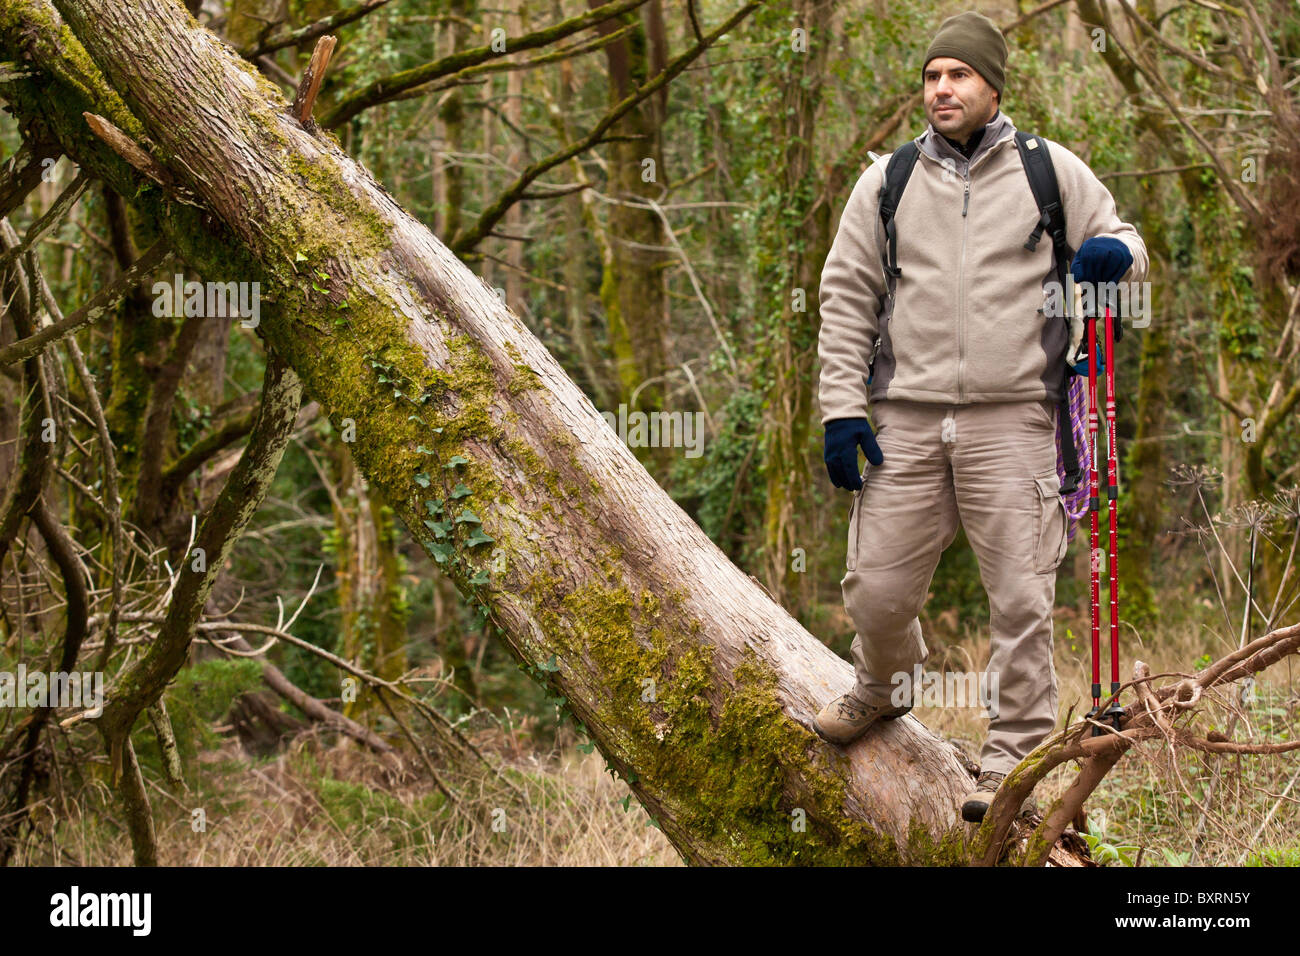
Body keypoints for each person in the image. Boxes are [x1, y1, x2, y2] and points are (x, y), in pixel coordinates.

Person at [811, 10, 1148, 824]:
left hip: (1018, 419)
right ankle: (884, 685)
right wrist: (840, 410)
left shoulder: (1049, 172)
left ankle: (1011, 763)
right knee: (877, 593)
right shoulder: (886, 181)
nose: (941, 88)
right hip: (907, 420)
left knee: (1021, 602)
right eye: (932, 76)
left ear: (993, 85)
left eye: (957, 75)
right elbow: (846, 297)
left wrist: (1115, 260)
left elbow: (1128, 254)